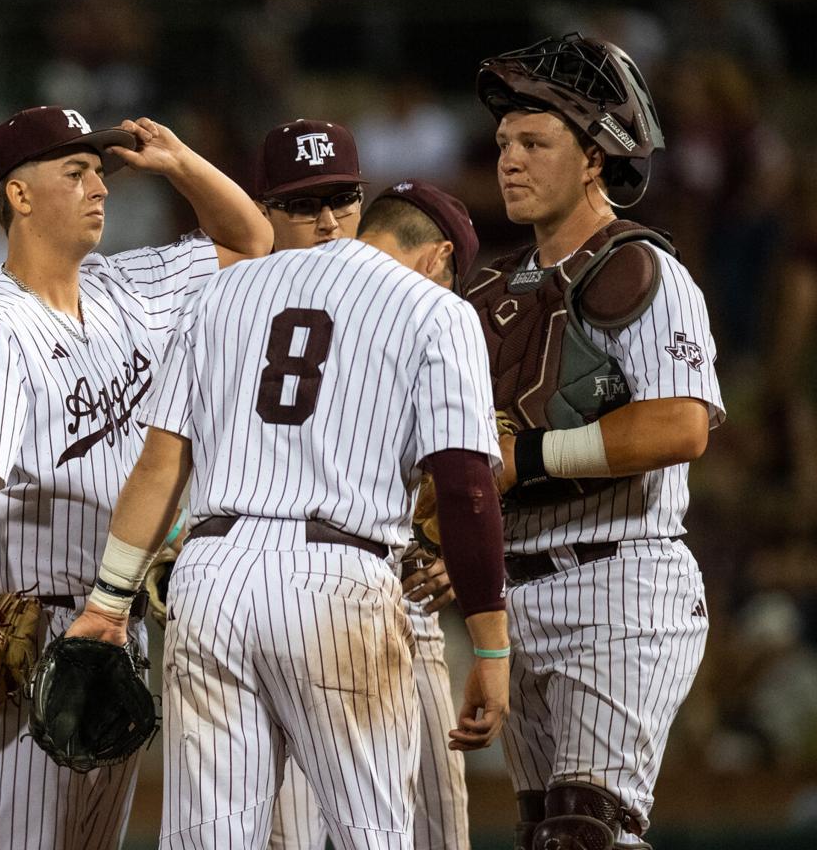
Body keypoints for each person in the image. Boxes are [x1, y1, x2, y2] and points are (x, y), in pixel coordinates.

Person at [67, 175, 511, 849]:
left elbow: (160, 462)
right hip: (337, 584)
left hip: (210, 576)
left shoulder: (220, 291)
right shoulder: (433, 307)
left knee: (208, 839)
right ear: (439, 257)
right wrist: (491, 645)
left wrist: (107, 601)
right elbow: (465, 486)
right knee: (373, 834)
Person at [0, 105, 272, 850]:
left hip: (118, 619)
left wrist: (180, 163)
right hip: (32, 634)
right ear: (19, 196)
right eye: (74, 172)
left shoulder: (125, 286)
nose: (98, 188)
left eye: (99, 173)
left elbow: (252, 240)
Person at [466, 34, 725, 849]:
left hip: (619, 579)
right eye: (505, 141)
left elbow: (681, 426)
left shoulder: (639, 268)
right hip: (518, 591)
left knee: (589, 833)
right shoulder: (496, 287)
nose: (510, 158)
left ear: (593, 159)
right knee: (549, 832)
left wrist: (529, 460)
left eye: (536, 143)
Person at [248, 119, 484, 850]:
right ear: (442, 260)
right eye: (307, 205)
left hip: (305, 596)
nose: (327, 223)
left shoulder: (238, 297)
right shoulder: (429, 315)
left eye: (341, 203)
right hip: (344, 598)